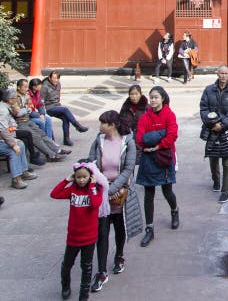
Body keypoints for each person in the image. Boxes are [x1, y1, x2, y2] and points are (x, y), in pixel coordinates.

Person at [87, 110, 142, 293]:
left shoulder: (128, 142)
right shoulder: (98, 140)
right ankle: (101, 271)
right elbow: (91, 164)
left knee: (119, 227)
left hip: (120, 193)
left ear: (112, 125)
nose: (100, 126)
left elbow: (128, 170)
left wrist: (111, 190)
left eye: (103, 123)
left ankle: (119, 255)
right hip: (101, 193)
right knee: (101, 232)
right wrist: (100, 187)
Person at [50, 162, 106, 301]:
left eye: (84, 177)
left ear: (90, 177)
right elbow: (54, 194)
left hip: (89, 237)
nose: (81, 180)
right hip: (73, 237)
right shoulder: (72, 190)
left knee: (86, 267)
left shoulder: (96, 189)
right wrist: (66, 180)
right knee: (67, 264)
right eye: (78, 177)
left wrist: (92, 186)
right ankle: (65, 286)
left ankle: (84, 294)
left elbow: (95, 203)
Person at [135, 86, 179, 247]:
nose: (153, 100)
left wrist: (157, 145)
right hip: (148, 157)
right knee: (149, 193)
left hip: (164, 156)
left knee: (167, 191)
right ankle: (149, 228)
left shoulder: (169, 114)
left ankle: (174, 210)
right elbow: (140, 138)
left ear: (162, 98)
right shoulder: (145, 118)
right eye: (151, 97)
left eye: (156, 97)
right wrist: (160, 134)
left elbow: (172, 135)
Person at [199, 66, 228, 203]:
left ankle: (225, 191)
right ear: (217, 74)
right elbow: (203, 107)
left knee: (227, 162)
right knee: (213, 158)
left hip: (227, 128)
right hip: (212, 127)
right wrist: (212, 123)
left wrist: (222, 125)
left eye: (226, 73)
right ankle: (216, 181)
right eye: (221, 73)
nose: (223, 76)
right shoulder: (208, 89)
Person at [0, 89, 37, 189]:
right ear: (9, 99)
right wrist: (13, 144)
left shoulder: (5, 107)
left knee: (21, 143)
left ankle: (23, 171)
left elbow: (11, 125)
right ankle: (16, 180)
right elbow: (3, 130)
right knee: (14, 150)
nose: (17, 99)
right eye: (15, 98)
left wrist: (14, 140)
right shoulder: (2, 111)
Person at [15, 78, 70, 164]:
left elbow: (31, 107)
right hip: (19, 123)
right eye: (24, 87)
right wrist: (27, 109)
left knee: (41, 133)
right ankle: (51, 155)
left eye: (26, 87)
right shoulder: (14, 97)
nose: (26, 89)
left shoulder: (26, 95)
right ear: (18, 87)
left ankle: (57, 150)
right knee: (36, 136)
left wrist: (38, 112)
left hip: (27, 119)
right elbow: (18, 113)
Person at [41, 71, 90, 146]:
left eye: (57, 78)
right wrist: (42, 112)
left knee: (65, 118)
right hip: (48, 108)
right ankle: (78, 126)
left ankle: (66, 139)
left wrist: (58, 105)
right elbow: (41, 101)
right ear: (49, 78)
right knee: (65, 109)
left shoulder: (58, 84)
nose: (56, 80)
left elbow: (58, 95)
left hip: (56, 106)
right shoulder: (44, 86)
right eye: (54, 78)